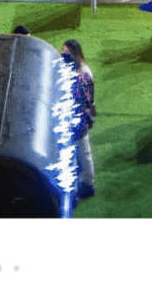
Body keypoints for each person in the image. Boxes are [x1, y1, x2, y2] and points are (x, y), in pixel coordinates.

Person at [61, 39, 96, 199]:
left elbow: (84, 98)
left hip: (78, 118)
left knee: (82, 150)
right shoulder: (77, 68)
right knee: (79, 151)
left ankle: (88, 185)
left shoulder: (82, 73)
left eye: (66, 54)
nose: (63, 56)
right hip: (76, 117)